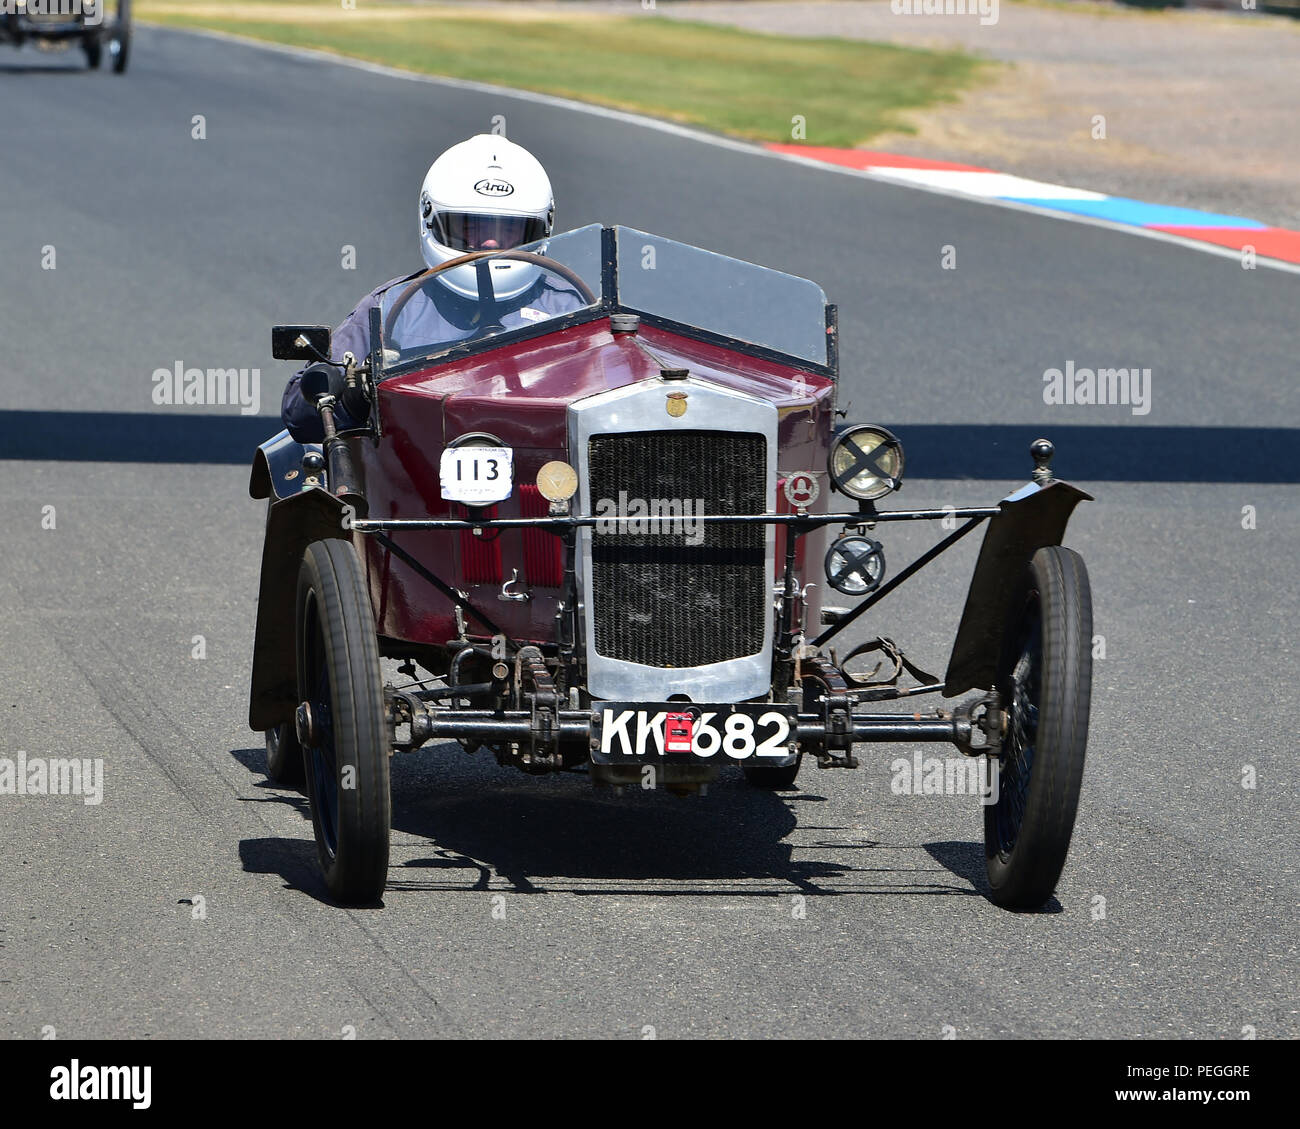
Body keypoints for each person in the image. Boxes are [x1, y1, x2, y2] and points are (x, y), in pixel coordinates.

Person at [282, 134, 587, 443]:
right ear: (431, 220)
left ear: (541, 229)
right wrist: (355, 395)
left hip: (543, 471)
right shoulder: (390, 308)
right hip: (412, 474)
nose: (490, 244)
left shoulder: (571, 308)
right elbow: (299, 413)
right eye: (472, 229)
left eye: (508, 230)